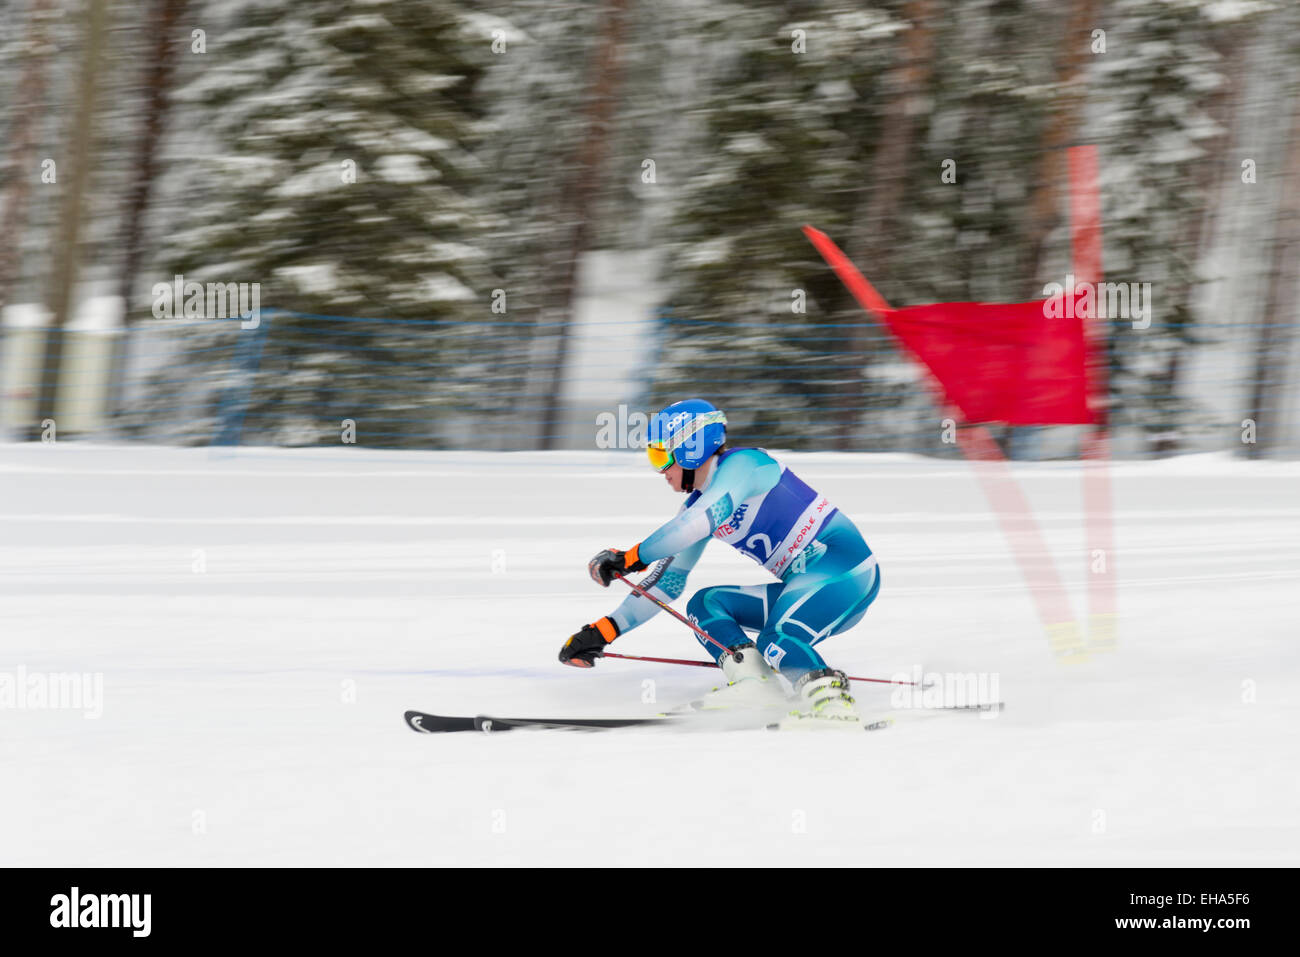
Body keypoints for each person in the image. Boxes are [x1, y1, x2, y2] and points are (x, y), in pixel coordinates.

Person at [558, 399, 881, 729]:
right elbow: (666, 583)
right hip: (805, 588)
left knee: (776, 637)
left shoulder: (745, 465)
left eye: (659, 455)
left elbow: (698, 522)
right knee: (707, 603)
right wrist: (603, 631)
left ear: (690, 448)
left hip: (846, 573)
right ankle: (755, 686)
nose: (660, 470)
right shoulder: (696, 508)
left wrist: (630, 558)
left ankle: (833, 707)